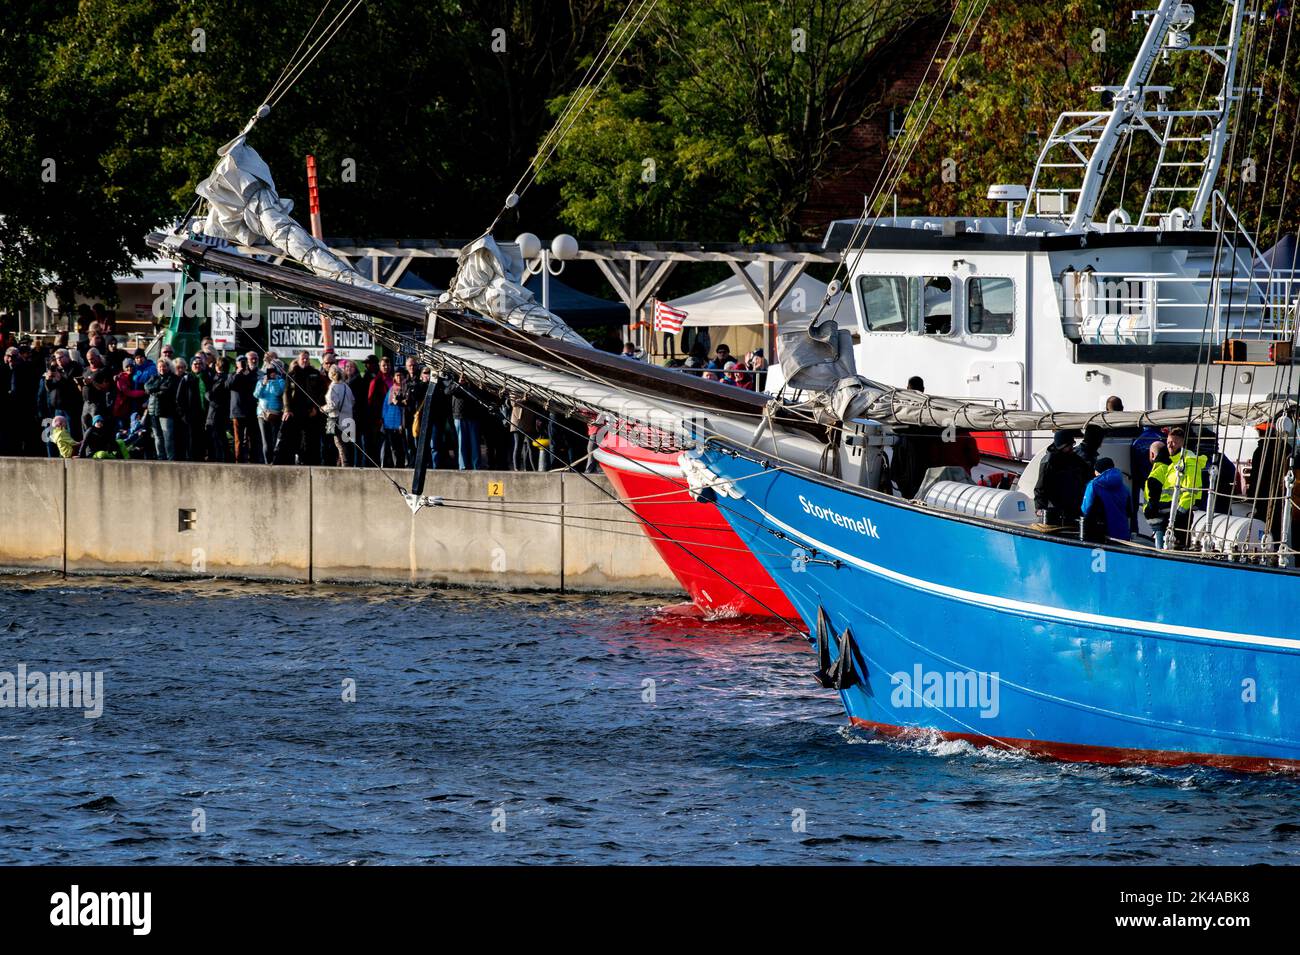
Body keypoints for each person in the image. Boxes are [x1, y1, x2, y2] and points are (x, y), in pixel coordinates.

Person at [1034, 430, 1090, 527]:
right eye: (1069, 446)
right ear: (1062, 446)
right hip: (1057, 509)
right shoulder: (1049, 461)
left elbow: (1087, 472)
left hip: (1074, 507)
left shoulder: (1074, 458)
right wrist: (1040, 507)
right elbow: (1040, 486)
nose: (1071, 448)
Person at [1164, 426, 1206, 548]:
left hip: (1181, 515)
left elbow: (1190, 490)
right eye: (1168, 442)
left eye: (1174, 442)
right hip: (1171, 512)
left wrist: (1179, 513)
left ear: (1182, 443)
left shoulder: (1189, 461)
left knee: (1178, 546)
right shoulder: (1174, 462)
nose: (1170, 446)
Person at [1081, 456, 1130, 544]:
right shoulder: (1124, 488)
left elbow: (1085, 509)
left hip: (1101, 534)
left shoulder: (1093, 485)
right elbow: (1130, 511)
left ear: (1098, 471)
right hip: (1122, 535)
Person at [144, 358, 179, 460]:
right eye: (160, 367)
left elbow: (166, 391)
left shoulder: (172, 378)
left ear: (168, 367)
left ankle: (170, 459)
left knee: (168, 437)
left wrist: (153, 391)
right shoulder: (154, 377)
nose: (162, 368)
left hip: (166, 411)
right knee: (157, 437)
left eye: (164, 366)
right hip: (153, 411)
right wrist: (158, 387)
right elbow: (146, 387)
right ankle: (161, 458)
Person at [227, 354, 260, 463]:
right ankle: (239, 460)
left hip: (250, 410)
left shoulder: (251, 374)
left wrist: (247, 374)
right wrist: (238, 373)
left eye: (244, 362)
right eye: (240, 362)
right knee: (239, 439)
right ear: (236, 364)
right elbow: (228, 385)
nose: (242, 364)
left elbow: (254, 386)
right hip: (238, 411)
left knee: (252, 438)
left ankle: (253, 460)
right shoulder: (232, 374)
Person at [1142, 440, 1174, 549]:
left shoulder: (1157, 472)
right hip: (1174, 516)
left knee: (1160, 549)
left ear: (1152, 454)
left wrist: (1149, 511)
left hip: (1159, 517)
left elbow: (1153, 498)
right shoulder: (1173, 467)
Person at [254, 362, 286, 464]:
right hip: (262, 414)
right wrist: (263, 384)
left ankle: (275, 461)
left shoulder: (280, 381)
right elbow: (256, 394)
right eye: (268, 370)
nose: (271, 372)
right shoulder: (261, 381)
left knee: (275, 439)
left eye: (273, 370)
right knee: (266, 441)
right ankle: (267, 463)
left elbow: (278, 393)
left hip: (275, 413)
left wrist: (274, 381)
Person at [323, 364, 355, 467]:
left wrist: (323, 408)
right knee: (347, 444)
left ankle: (344, 464)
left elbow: (333, 405)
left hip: (337, 419)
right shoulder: (346, 386)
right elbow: (353, 401)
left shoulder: (333, 387)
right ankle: (341, 463)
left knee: (339, 443)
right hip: (349, 419)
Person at [450, 374, 481, 469]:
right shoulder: (453, 378)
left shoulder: (474, 380)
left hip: (473, 415)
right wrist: (459, 384)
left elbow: (479, 394)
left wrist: (469, 384)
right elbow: (447, 391)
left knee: (475, 443)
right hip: (459, 416)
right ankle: (462, 467)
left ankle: (476, 466)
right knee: (461, 443)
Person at [380, 367, 408, 468]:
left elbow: (404, 409)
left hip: (400, 424)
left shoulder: (406, 389)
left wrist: (401, 423)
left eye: (401, 375)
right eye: (397, 375)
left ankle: (402, 466)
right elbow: (385, 406)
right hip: (389, 423)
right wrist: (383, 419)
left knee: (402, 447)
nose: (399, 377)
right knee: (393, 448)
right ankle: (396, 466)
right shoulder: (391, 389)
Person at [206, 357, 232, 462]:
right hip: (221, 411)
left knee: (217, 437)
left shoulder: (220, 379)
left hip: (216, 412)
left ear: (217, 366)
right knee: (219, 437)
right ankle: (223, 458)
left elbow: (211, 395)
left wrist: (206, 393)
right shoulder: (226, 378)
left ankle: (221, 459)